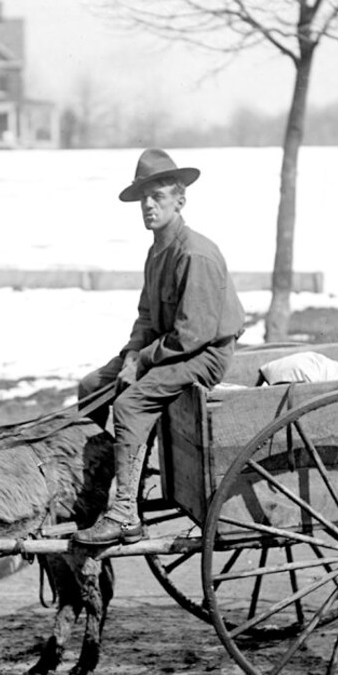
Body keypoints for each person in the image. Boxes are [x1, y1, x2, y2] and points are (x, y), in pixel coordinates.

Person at [73, 149, 246, 547]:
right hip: (168, 350)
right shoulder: (157, 251)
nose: (148, 206)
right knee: (91, 386)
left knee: (131, 404)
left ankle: (125, 514)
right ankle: (98, 491)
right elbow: (147, 318)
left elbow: (192, 334)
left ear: (180, 201)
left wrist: (144, 362)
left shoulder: (195, 254)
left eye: (159, 197)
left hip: (203, 357)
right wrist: (132, 354)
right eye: (143, 199)